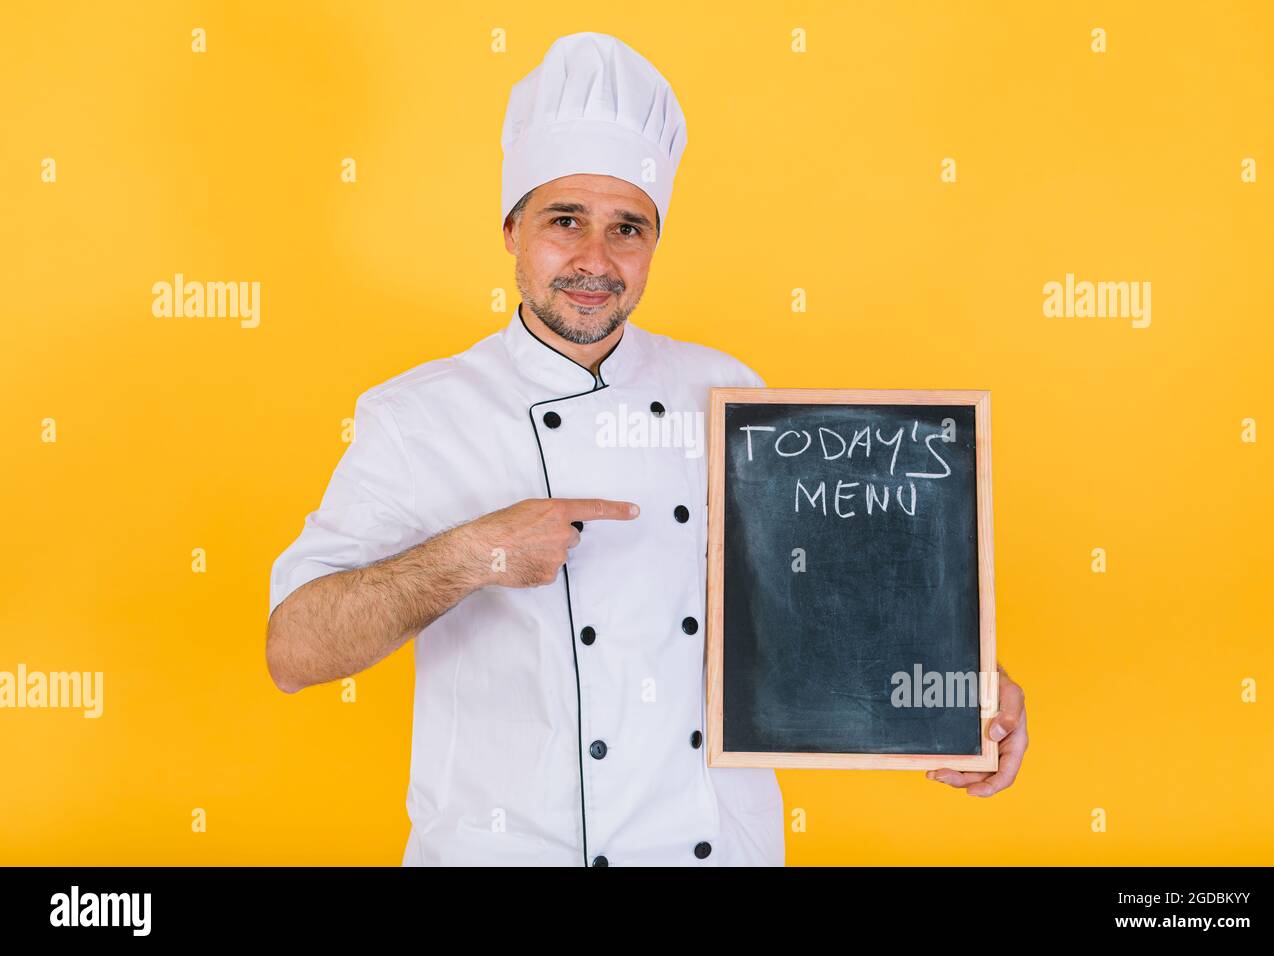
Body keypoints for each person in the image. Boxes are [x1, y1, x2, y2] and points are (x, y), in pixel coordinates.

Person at [266, 31, 1028, 868]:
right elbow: (295, 651)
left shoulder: (726, 391)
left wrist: (954, 696)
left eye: (628, 228)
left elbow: (827, 606)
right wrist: (473, 555)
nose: (596, 260)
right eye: (566, 221)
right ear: (513, 230)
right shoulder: (416, 416)